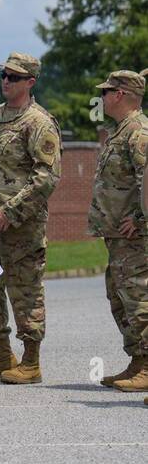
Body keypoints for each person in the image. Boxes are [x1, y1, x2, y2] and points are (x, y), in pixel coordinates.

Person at [0, 53, 61, 384]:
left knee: (25, 289)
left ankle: (31, 362)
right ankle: (1, 353)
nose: (5, 81)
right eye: (4, 75)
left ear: (30, 82)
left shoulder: (39, 123)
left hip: (21, 227)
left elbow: (47, 177)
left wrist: (12, 210)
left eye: (13, 76)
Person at [87, 70, 148, 395]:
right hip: (118, 237)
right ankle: (138, 362)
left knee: (139, 300)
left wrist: (140, 219)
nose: (104, 96)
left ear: (121, 95)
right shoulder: (121, 131)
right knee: (120, 298)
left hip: (135, 238)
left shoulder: (138, 133)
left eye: (108, 91)